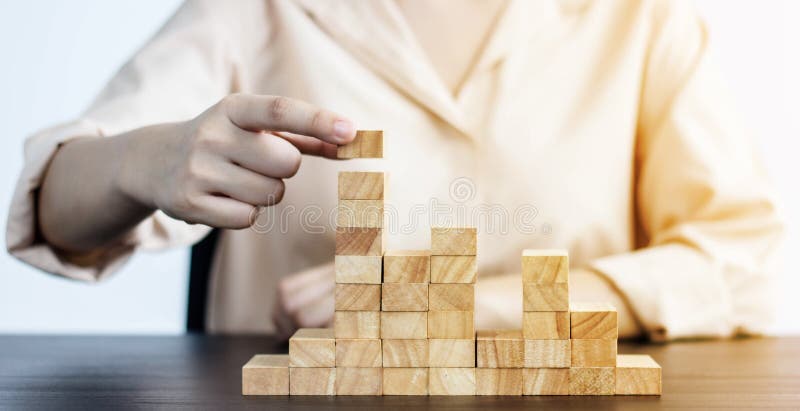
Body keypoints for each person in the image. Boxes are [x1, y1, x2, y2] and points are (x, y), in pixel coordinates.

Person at [7, 0, 783, 341]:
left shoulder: (640, 17)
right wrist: (144, 160)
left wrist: (450, 303)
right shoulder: (255, 8)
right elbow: (55, 214)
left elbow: (738, 265)